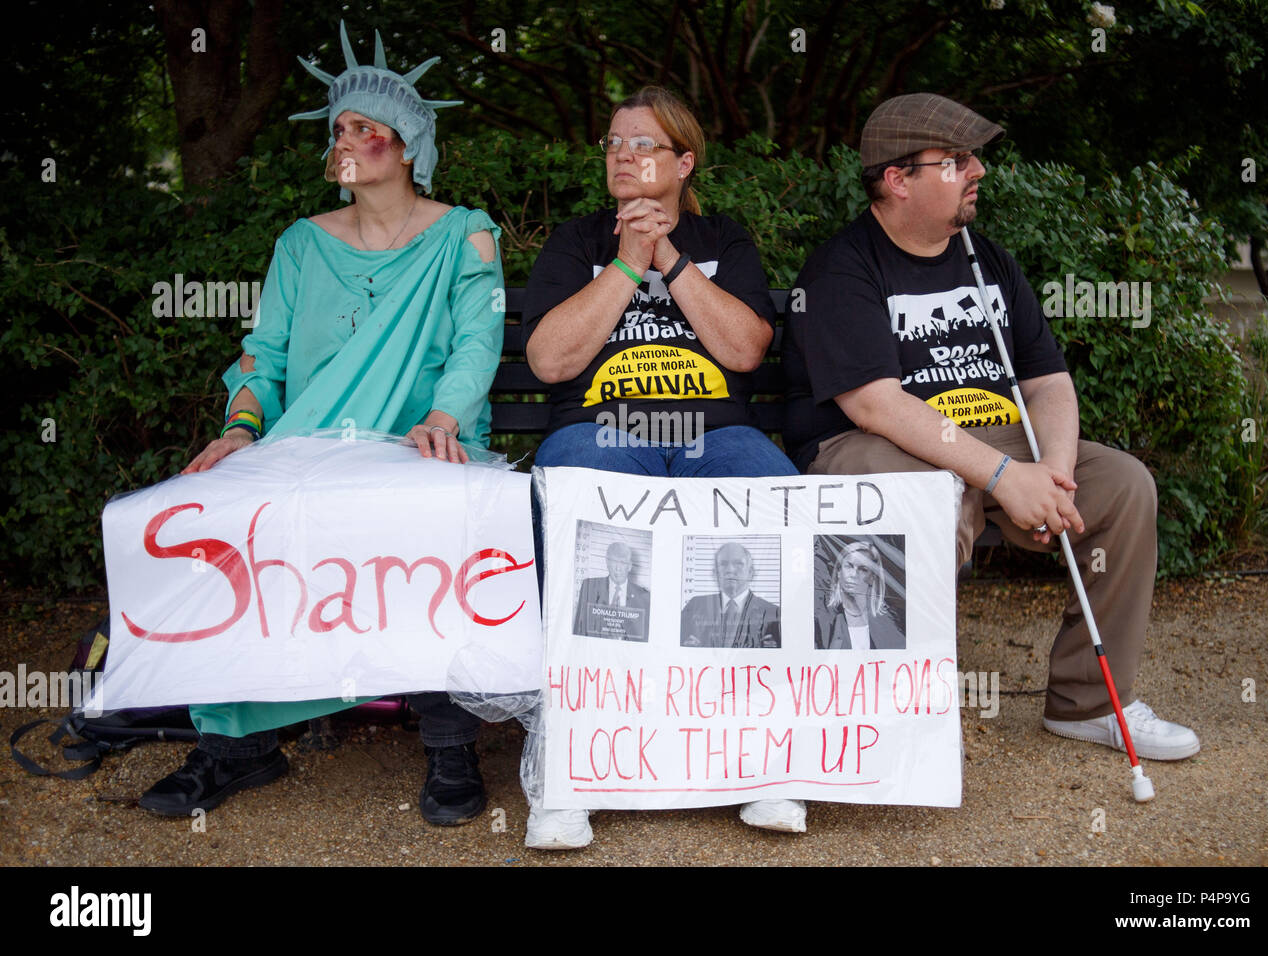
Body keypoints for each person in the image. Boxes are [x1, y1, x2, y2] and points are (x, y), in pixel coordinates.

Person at [138, 23, 506, 828]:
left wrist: (446, 414)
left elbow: (479, 342)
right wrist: (240, 429)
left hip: (418, 444)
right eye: (338, 129)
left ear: (407, 145)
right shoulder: (301, 244)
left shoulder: (463, 234)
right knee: (226, 515)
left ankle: (449, 746)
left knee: (446, 522)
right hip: (303, 447)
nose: (346, 140)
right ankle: (236, 748)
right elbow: (261, 355)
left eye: (364, 129)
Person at [783, 92, 1199, 762]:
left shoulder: (989, 260)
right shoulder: (842, 268)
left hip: (995, 443)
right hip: (881, 446)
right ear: (898, 180)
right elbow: (876, 406)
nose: (977, 171)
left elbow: (1047, 382)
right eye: (955, 160)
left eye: (972, 158)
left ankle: (1088, 701)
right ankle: (888, 712)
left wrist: (1052, 477)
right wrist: (1003, 476)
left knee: (1122, 484)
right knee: (917, 494)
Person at [521, 86, 803, 849]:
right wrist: (625, 261)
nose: (622, 155)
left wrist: (671, 259)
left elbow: (746, 351)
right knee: (577, 488)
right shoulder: (578, 243)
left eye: (642, 144)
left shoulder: (724, 239)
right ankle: (569, 767)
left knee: (775, 493)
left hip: (714, 430)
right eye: (614, 143)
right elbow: (549, 361)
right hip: (605, 428)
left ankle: (764, 753)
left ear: (683, 162)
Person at [680, 542, 781, 648]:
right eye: (723, 564)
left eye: (738, 563)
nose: (730, 570)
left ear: (751, 573)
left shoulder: (773, 613)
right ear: (715, 574)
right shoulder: (695, 606)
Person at [814, 540, 905, 650]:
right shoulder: (823, 618)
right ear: (838, 571)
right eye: (849, 566)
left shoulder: (889, 623)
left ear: (872, 577)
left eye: (863, 569)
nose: (853, 574)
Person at [574, 540, 651, 640]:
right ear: (607, 562)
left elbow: (644, 640)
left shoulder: (644, 596)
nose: (618, 568)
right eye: (614, 561)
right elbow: (578, 631)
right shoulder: (589, 587)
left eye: (623, 562)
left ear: (629, 566)